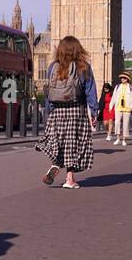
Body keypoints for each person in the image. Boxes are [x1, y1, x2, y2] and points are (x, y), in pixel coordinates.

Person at [37, 35, 99, 188]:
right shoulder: (83, 66)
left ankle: (56, 164)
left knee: (58, 142)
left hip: (57, 111)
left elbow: (49, 91)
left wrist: (48, 112)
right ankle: (70, 179)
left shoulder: (53, 67)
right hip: (77, 110)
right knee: (74, 144)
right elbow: (90, 91)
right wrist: (94, 112)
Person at [108, 72, 132, 146]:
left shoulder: (131, 87)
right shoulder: (117, 86)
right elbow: (114, 97)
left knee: (125, 124)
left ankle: (124, 140)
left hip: (127, 108)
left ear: (127, 79)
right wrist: (111, 106)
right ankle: (118, 138)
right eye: (121, 78)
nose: (122, 79)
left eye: (124, 78)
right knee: (117, 123)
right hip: (118, 107)